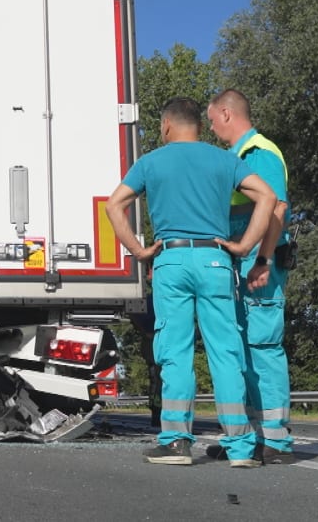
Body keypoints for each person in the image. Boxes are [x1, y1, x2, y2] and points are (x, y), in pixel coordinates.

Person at [105, 97, 275, 468]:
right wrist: (245, 246)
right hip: (216, 260)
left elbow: (113, 205)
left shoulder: (151, 162)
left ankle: (177, 443)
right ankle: (241, 448)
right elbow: (267, 196)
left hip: (172, 260)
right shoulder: (225, 160)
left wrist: (138, 250)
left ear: (166, 125)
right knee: (225, 351)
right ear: (199, 125)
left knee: (175, 352)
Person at [206, 88, 295, 464]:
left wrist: (263, 258)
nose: (211, 128)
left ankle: (275, 442)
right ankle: (255, 438)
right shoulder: (235, 157)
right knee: (243, 349)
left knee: (261, 345)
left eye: (212, 121)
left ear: (226, 114)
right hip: (245, 261)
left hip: (258, 263)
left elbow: (276, 205)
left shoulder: (258, 151)